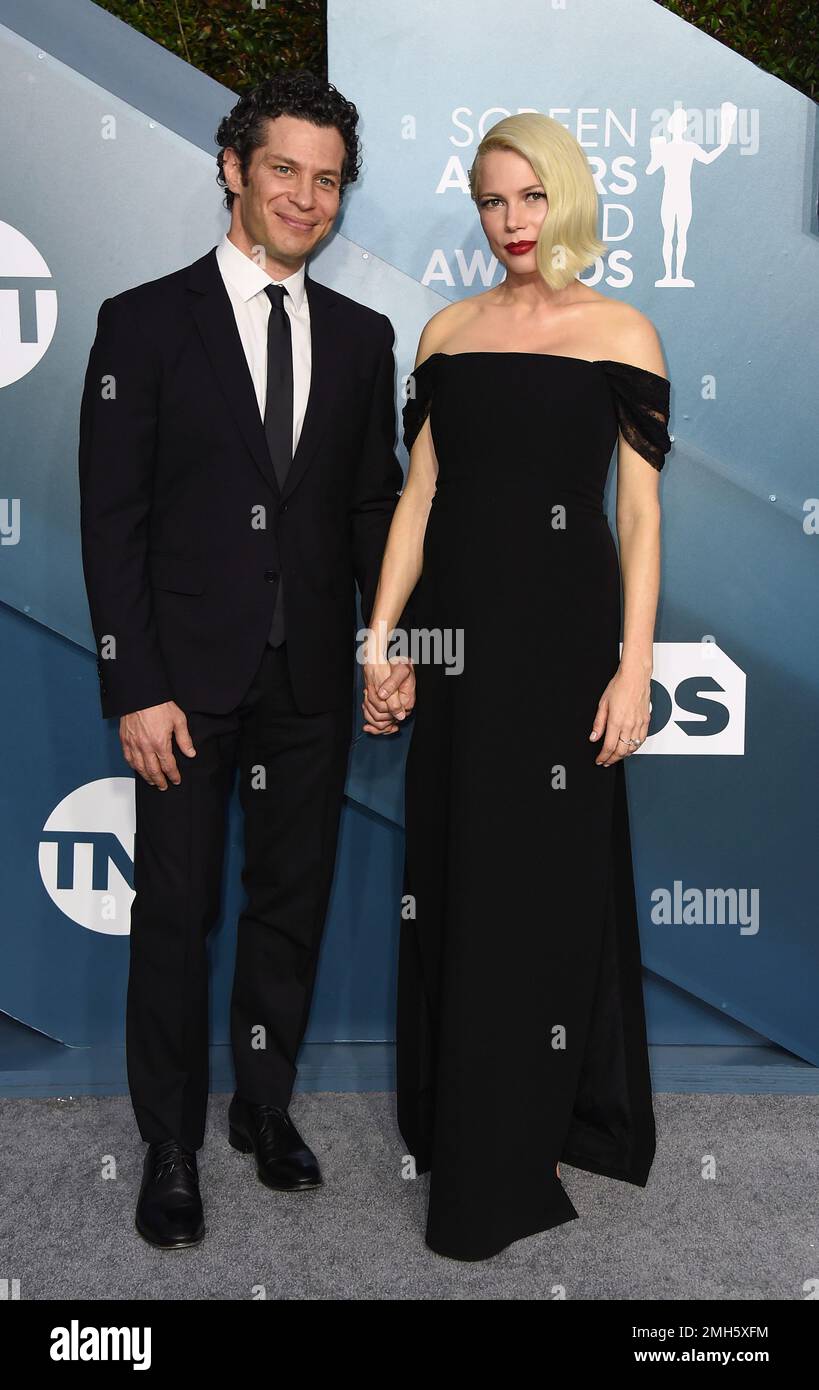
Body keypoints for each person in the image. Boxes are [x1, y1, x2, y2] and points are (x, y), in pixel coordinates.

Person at [78, 70, 414, 1250]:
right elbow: (110, 521)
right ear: (233, 166)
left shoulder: (368, 339)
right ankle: (168, 1142)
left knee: (290, 907)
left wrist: (393, 639)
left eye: (327, 180)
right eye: (284, 169)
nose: (305, 196)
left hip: (312, 681)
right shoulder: (143, 322)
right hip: (181, 682)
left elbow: (376, 508)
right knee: (175, 914)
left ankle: (260, 1109)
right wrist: (135, 686)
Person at [363, 112, 671, 1261]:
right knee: (456, 867)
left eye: (531, 198)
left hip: (565, 641)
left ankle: (527, 1128)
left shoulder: (623, 333)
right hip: (454, 639)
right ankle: (465, 1112)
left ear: (568, 199)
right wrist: (380, 638)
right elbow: (417, 501)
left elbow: (637, 514)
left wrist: (635, 664)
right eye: (493, 202)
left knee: (540, 880)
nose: (511, 223)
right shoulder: (448, 330)